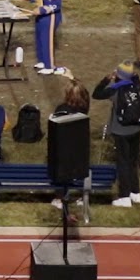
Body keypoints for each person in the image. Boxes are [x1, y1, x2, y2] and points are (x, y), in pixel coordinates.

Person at [93, 61, 140, 207]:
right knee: (132, 161)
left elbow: (96, 94)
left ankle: (124, 196)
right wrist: (136, 78)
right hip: (136, 129)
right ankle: (135, 193)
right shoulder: (137, 87)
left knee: (123, 162)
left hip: (120, 131)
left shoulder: (115, 89)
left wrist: (106, 79)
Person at [50, 79, 90, 209]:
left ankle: (59, 198)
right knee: (78, 170)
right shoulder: (84, 107)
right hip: (80, 146)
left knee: (60, 169)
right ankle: (80, 196)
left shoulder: (61, 109)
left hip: (64, 148)